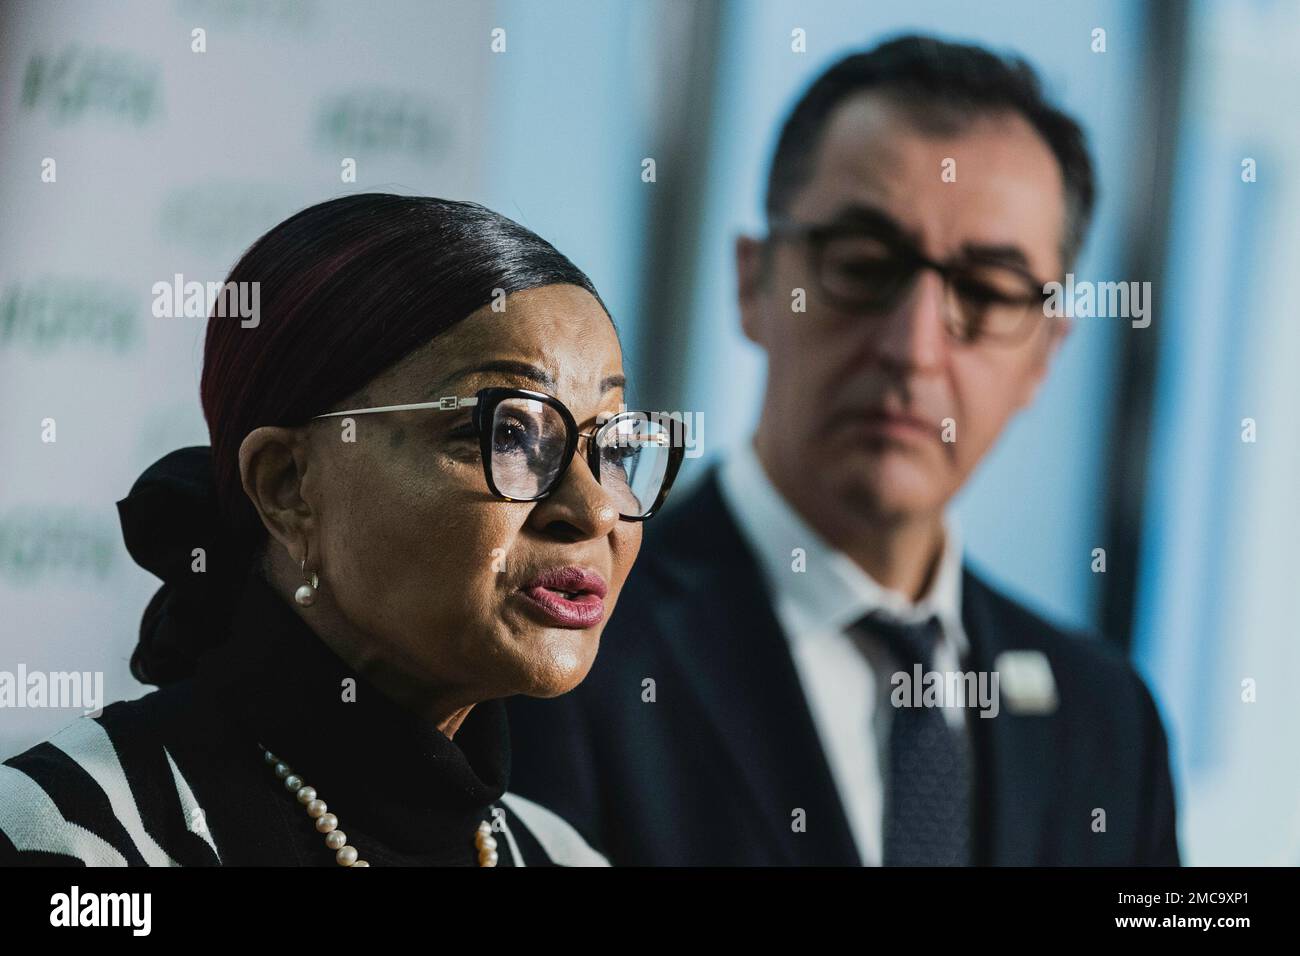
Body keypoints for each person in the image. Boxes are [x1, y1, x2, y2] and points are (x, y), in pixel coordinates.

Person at [506, 35, 1180, 866]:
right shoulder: (566, 647)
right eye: (864, 266)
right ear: (755, 285)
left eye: (985, 292)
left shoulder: (1108, 722)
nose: (913, 347)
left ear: (1044, 353)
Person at [0, 193, 683, 866]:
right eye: (508, 433)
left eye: (615, 448)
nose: (595, 511)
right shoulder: (68, 838)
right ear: (287, 486)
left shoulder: (560, 856)